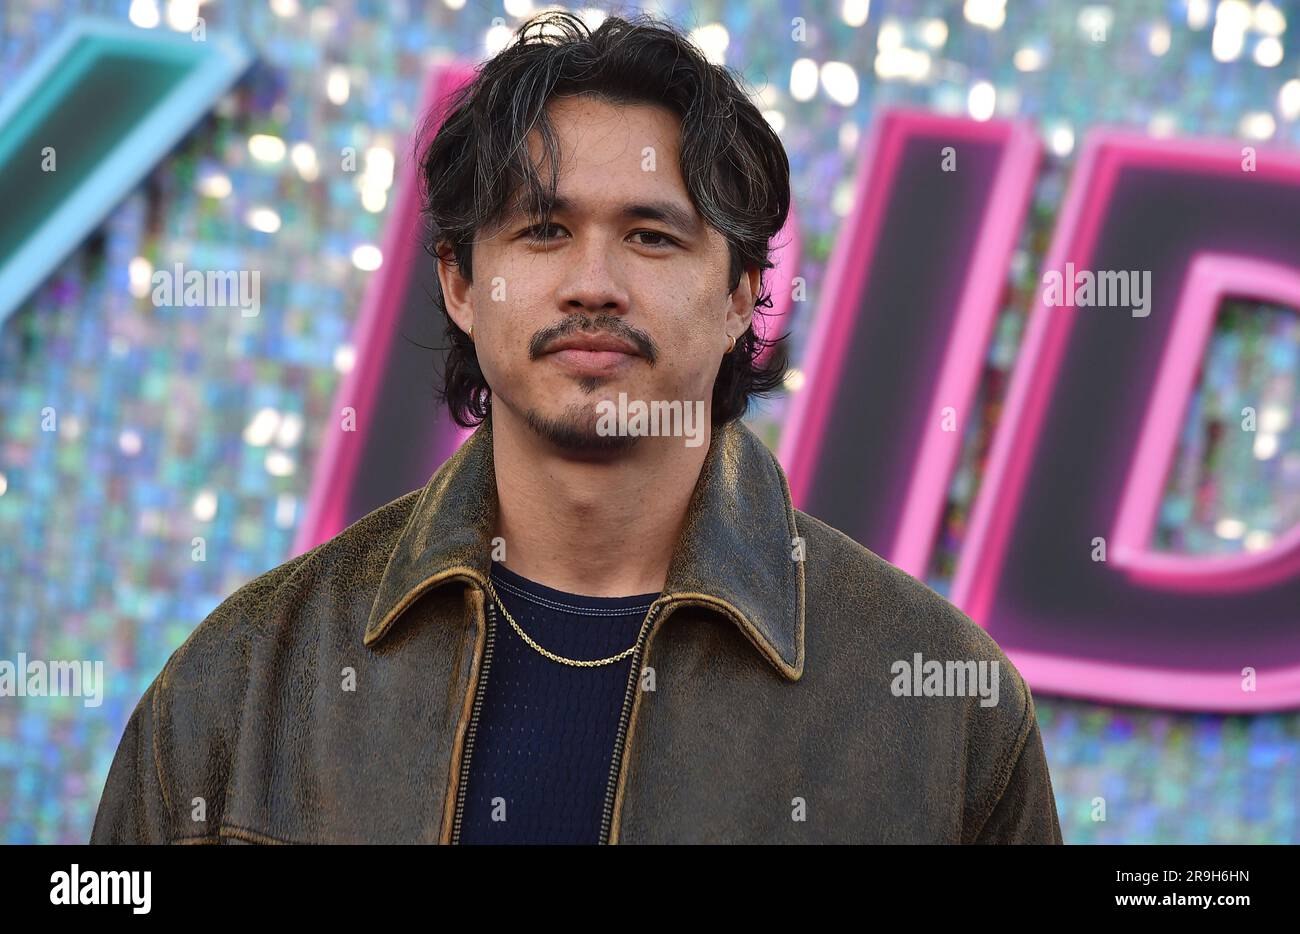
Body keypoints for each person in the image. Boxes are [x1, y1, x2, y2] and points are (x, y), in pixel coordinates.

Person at [92, 10, 1062, 845]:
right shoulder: (248, 679)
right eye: (543, 230)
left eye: (651, 234)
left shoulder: (941, 712)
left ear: (740, 295)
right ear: (461, 284)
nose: (593, 282)